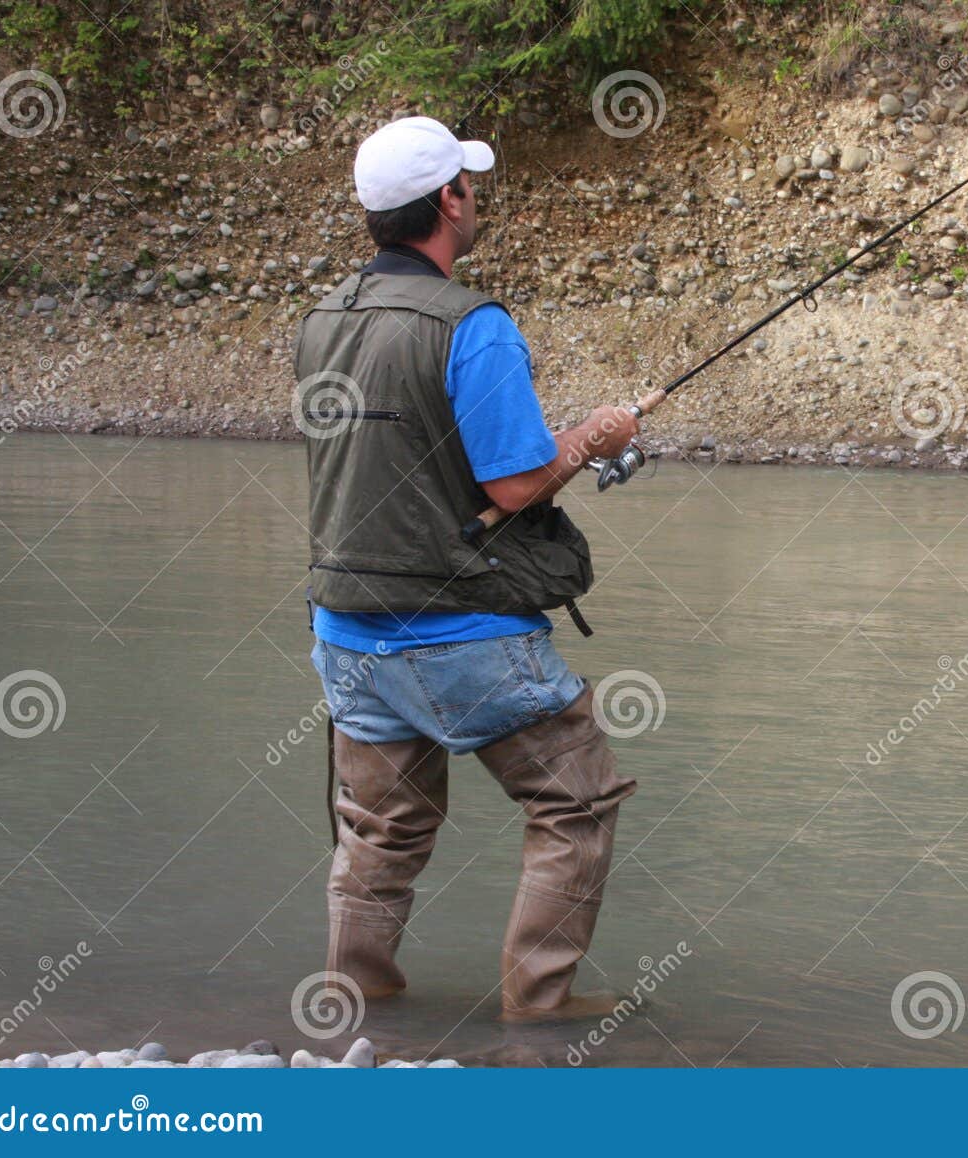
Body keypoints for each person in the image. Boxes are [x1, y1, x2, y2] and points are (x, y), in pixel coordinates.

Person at [294, 115, 639, 1022]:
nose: (475, 196)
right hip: (463, 633)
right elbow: (518, 483)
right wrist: (594, 439)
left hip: (345, 633)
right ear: (449, 200)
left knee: (382, 826)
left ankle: (353, 994)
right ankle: (540, 1004)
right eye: (468, 185)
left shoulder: (323, 321)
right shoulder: (473, 325)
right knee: (576, 799)